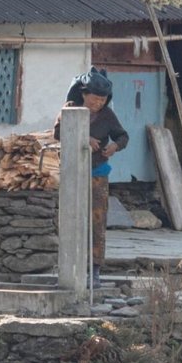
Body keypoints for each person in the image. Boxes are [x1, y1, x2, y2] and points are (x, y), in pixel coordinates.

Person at [52, 68, 127, 288]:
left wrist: (115, 146)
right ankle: (68, 268)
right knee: (71, 221)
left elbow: (123, 136)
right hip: (72, 174)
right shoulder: (70, 109)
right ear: (84, 93)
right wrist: (86, 137)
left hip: (97, 174)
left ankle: (94, 271)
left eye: (103, 100)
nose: (98, 104)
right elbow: (57, 133)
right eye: (95, 99)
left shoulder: (107, 115)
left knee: (97, 222)